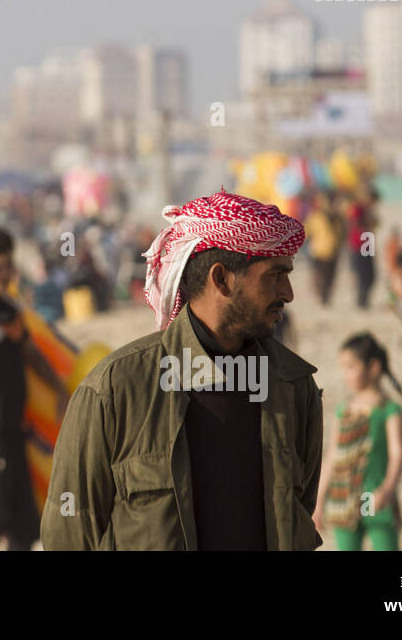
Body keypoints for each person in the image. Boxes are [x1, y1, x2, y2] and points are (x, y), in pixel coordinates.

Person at [42, 190, 322, 550]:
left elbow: (299, 511)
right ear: (221, 280)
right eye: (275, 275)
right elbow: (70, 533)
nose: (288, 292)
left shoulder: (294, 386)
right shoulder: (117, 388)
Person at [0, 226, 67, 550]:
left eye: (7, 265)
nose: (5, 273)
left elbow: (30, 352)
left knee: (24, 528)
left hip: (14, 430)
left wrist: (59, 387)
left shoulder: (7, 308)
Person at [315, 332, 402, 551]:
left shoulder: (388, 410)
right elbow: (333, 456)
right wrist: (318, 501)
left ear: (373, 368)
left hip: (372, 496)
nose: (346, 375)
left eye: (351, 367)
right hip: (343, 496)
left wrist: (387, 489)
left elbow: (398, 455)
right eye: (343, 368)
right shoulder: (344, 411)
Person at [303, 192, 341, 307]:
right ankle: (321, 298)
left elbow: (342, 233)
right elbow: (306, 231)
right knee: (320, 277)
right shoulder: (316, 217)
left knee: (330, 277)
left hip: (333, 251)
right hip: (319, 252)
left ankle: (326, 298)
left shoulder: (338, 218)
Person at [345, 190, 378, 310]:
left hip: (366, 245)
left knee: (371, 275)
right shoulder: (357, 209)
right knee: (363, 276)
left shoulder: (366, 210)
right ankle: (361, 302)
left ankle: (364, 301)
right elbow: (354, 225)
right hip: (358, 245)